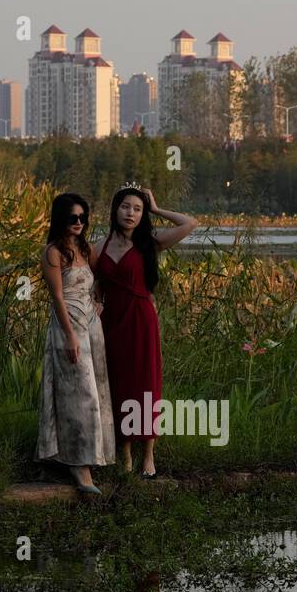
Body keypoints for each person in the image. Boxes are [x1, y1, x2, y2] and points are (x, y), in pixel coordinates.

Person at [94, 185, 197, 478]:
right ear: (115, 209)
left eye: (137, 209)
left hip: (141, 319)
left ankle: (149, 453)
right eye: (126, 206)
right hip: (111, 320)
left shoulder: (148, 244)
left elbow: (190, 223)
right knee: (117, 381)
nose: (131, 213)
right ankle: (124, 451)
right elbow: (94, 283)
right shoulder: (98, 247)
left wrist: (156, 208)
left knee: (146, 384)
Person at [35, 193, 114, 493]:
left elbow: (101, 278)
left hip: (92, 325)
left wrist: (100, 301)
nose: (79, 223)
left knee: (95, 390)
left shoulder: (85, 248)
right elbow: (57, 297)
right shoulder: (53, 252)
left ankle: (93, 455)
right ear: (60, 219)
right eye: (72, 218)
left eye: (83, 217)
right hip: (68, 326)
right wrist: (69, 336)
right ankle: (79, 468)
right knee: (79, 394)